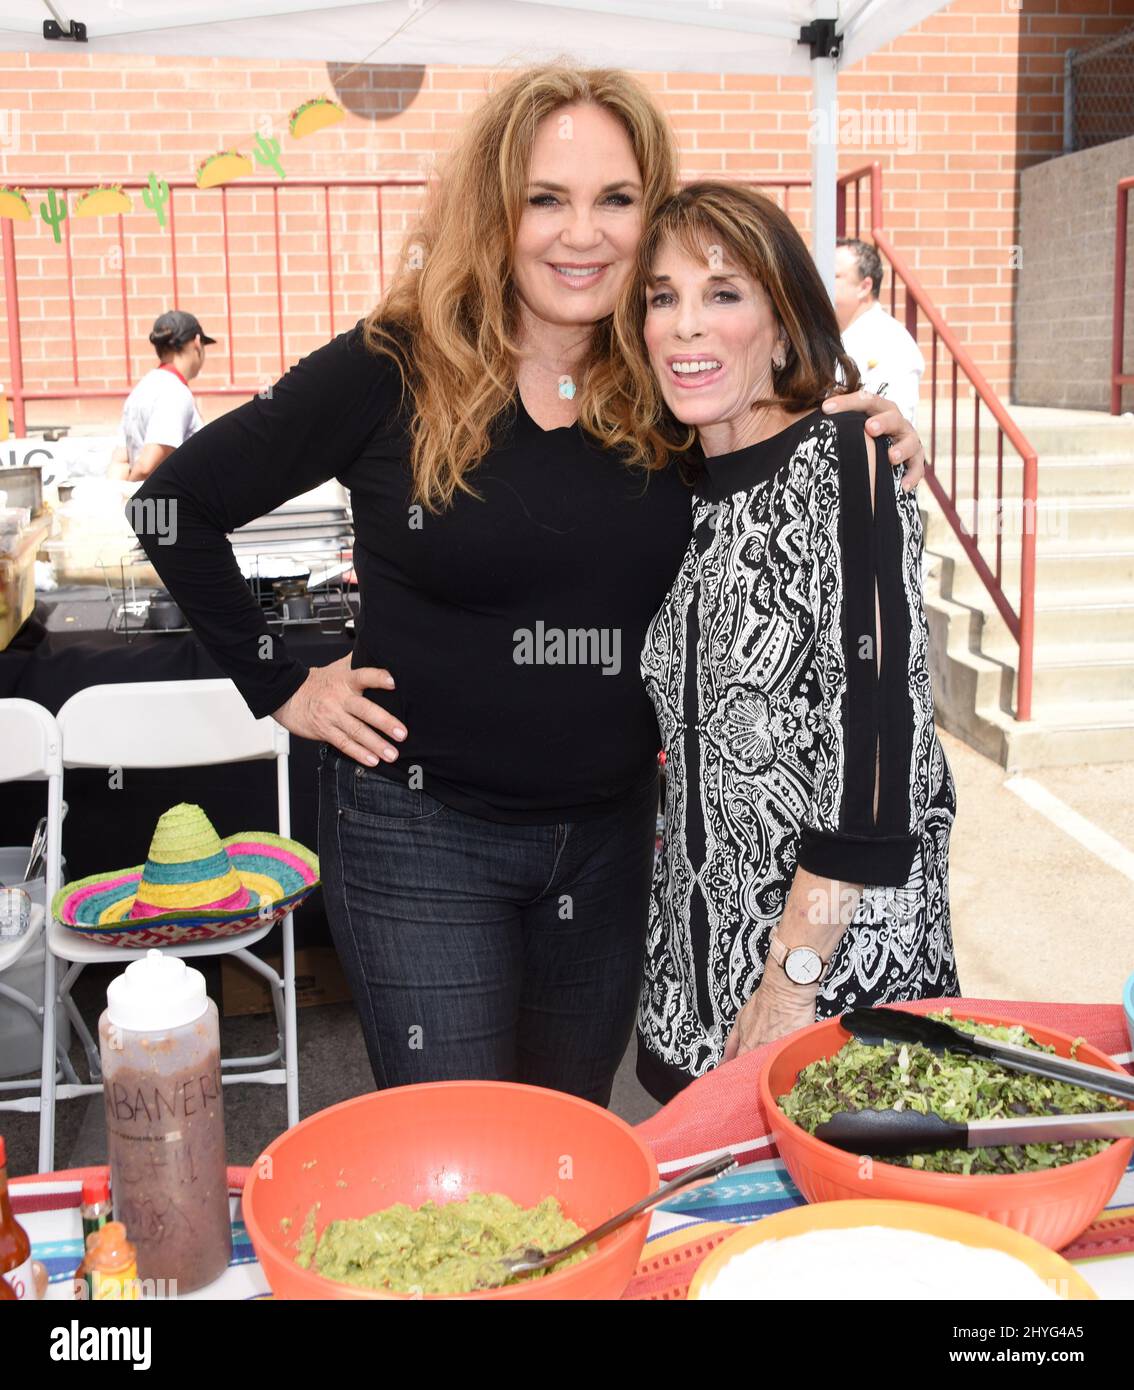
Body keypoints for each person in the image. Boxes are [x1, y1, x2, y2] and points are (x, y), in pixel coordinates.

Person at [130, 65, 930, 1109]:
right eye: (545, 198)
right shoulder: (392, 365)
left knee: (569, 1145)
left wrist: (861, 433)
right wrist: (281, 684)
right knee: (460, 1151)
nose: (580, 233)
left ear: (654, 215)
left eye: (616, 199)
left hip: (610, 845)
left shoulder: (664, 375)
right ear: (495, 212)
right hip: (421, 836)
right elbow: (170, 505)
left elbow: (773, 465)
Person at [599, 183, 957, 1103]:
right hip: (694, 987)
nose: (686, 326)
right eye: (662, 297)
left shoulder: (846, 461)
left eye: (724, 293)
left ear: (787, 324)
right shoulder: (684, 487)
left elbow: (878, 763)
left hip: (831, 997)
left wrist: (788, 990)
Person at [108, 311, 215, 482]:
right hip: (166, 505)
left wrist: (118, 501)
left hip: (150, 504)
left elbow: (120, 462)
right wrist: (133, 504)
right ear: (196, 342)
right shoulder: (174, 392)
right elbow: (147, 466)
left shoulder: (141, 389)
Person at [834, 237, 925, 427]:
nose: (820, 281)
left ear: (864, 287)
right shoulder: (825, 334)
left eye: (834, 275)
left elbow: (897, 422)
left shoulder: (893, 342)